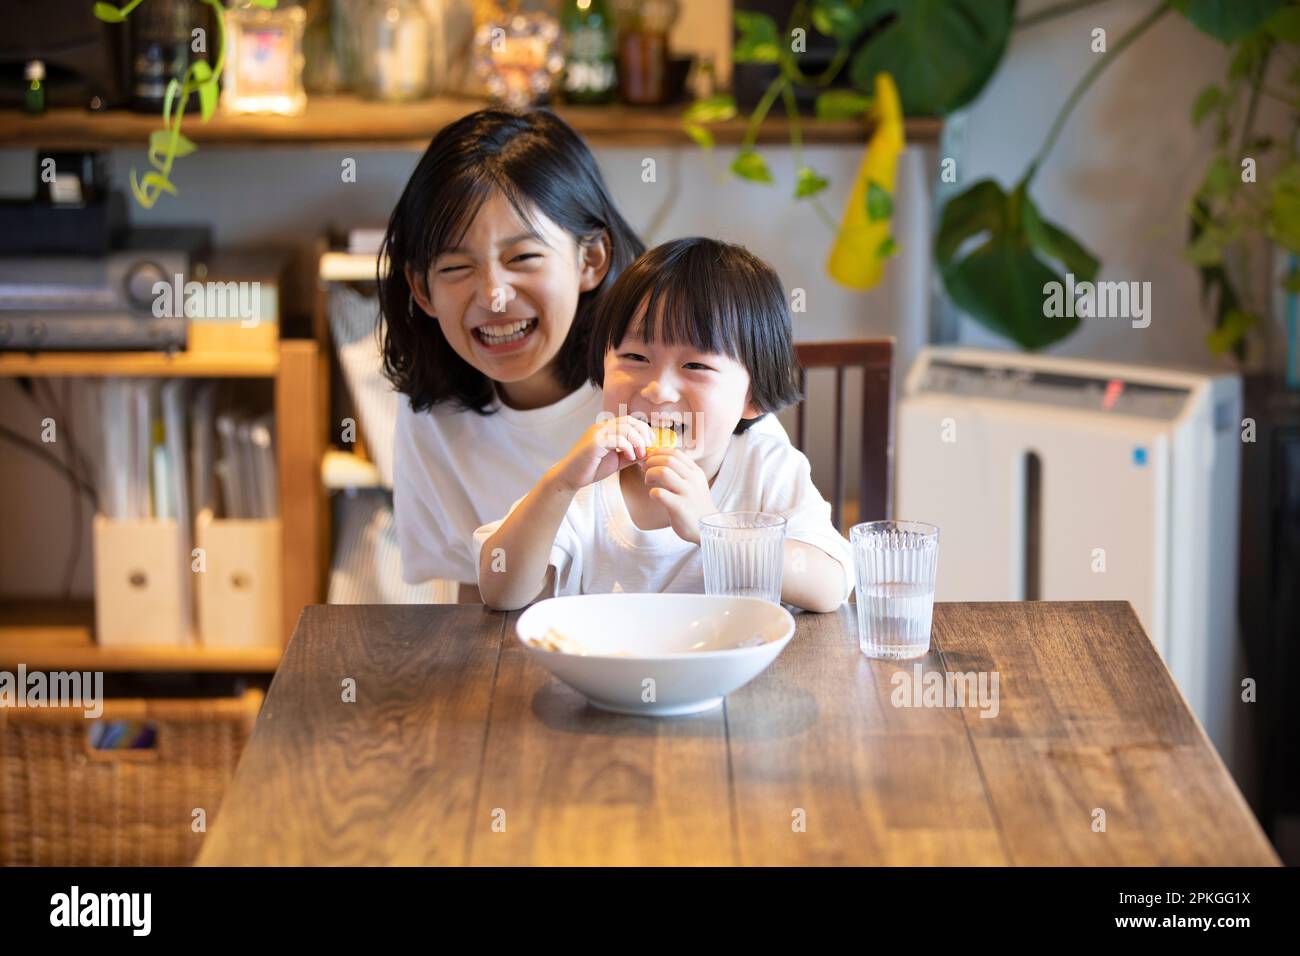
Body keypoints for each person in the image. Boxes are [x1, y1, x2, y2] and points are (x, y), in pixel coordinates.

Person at [382, 109, 789, 602]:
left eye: (523, 258)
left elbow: (798, 572)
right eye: (455, 266)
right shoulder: (431, 418)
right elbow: (479, 601)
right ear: (421, 289)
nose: (493, 296)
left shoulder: (662, 386)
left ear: (590, 259)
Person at [472, 237, 854, 613]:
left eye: (696, 366)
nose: (658, 389)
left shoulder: (767, 470)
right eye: (636, 357)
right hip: (609, 673)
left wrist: (716, 532)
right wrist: (559, 485)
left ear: (752, 396)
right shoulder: (585, 483)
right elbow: (499, 590)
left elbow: (829, 585)